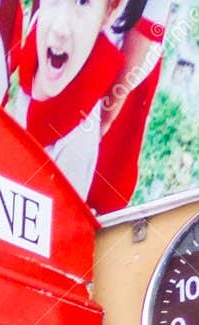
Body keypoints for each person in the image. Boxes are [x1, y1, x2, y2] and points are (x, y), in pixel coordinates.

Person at [11, 0, 137, 199]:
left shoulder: (75, 147)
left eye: (83, 2)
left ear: (111, 9)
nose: (60, 28)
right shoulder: (38, 30)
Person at [89, 0, 171, 214]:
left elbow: (146, 31)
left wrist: (106, 115)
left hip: (120, 58)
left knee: (104, 167)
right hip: (78, 31)